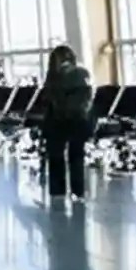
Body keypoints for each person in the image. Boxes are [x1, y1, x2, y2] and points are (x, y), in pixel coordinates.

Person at [41, 44, 93, 200]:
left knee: (56, 157)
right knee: (76, 157)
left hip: (57, 122)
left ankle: (58, 192)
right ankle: (78, 191)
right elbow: (86, 99)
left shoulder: (52, 77)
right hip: (78, 121)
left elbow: (48, 102)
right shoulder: (82, 73)